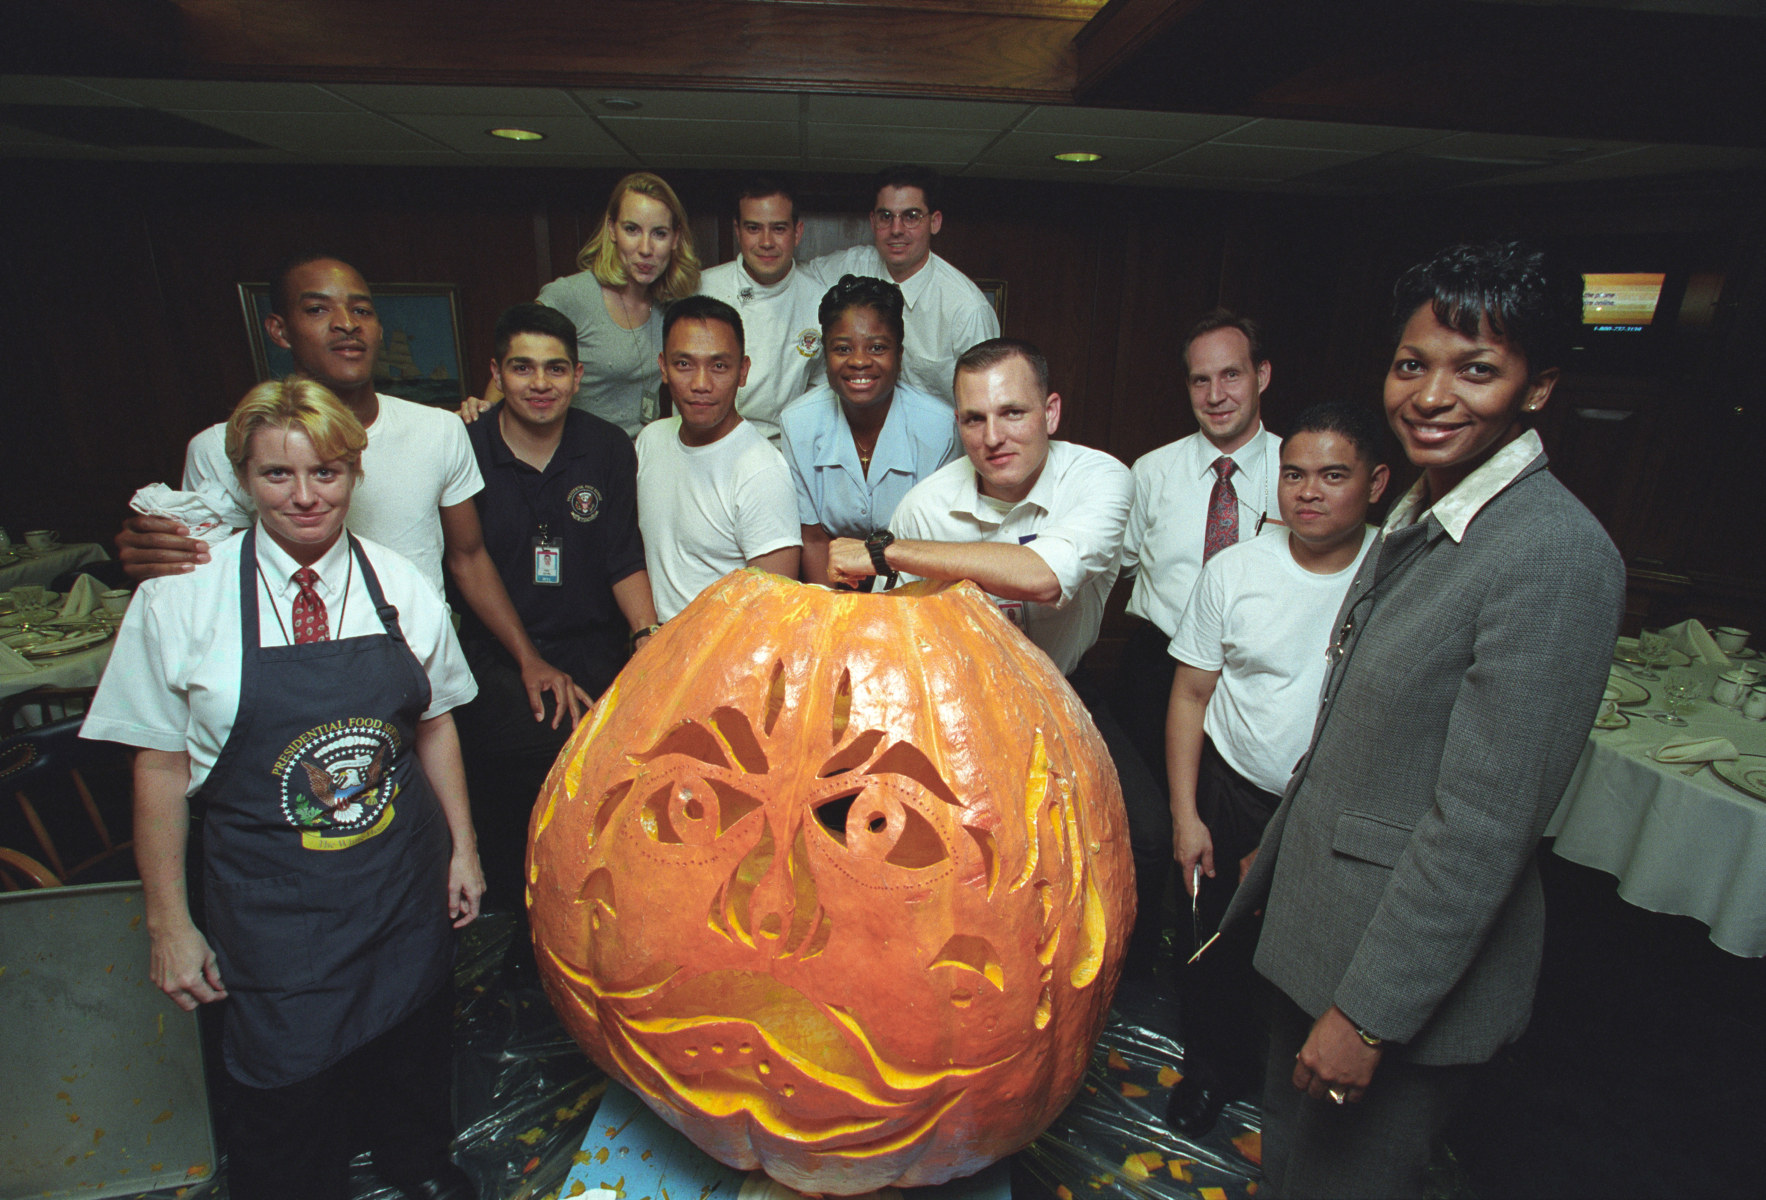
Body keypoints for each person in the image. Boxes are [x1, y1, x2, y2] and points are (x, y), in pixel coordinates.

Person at [1220, 242, 1626, 1198]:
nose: (1432, 396)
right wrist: (1280, 853)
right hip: (1326, 929)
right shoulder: (1423, 508)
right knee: (1292, 1165)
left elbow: (1482, 826)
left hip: (1392, 979)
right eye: (1414, 365)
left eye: (1476, 369)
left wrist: (1366, 1018)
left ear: (1537, 388)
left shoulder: (1553, 556)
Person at [82, 379, 483, 1200]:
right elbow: (158, 764)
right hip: (273, 905)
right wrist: (169, 922)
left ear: (355, 474)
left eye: (327, 474)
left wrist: (465, 852)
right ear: (241, 478)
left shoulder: (402, 585)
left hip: (398, 886)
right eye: (277, 476)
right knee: (287, 1113)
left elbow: (435, 722)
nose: (305, 497)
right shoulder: (180, 599)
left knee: (412, 1065)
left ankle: (421, 1169)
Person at [115, 253, 588, 730]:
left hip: (416, 676)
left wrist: (528, 657)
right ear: (279, 330)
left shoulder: (438, 431)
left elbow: (468, 557)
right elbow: (204, 583)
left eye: (361, 311)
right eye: (318, 310)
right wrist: (157, 556)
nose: (346, 324)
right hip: (288, 685)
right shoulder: (223, 448)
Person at [825, 340, 1166, 958]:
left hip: (1065, 688)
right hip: (958, 705)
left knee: (1142, 836)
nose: (993, 436)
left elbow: (1041, 575)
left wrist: (884, 551)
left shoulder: (1100, 478)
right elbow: (900, 635)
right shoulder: (927, 504)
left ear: (1051, 412)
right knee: (930, 849)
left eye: (1013, 413)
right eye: (973, 419)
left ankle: (1113, 1001)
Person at [1162, 401, 1389, 1138]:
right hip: (1232, 794)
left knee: (1310, 959)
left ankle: (1301, 1099)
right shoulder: (1236, 569)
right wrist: (1186, 814)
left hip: (1335, 811)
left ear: (1376, 482)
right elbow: (1191, 694)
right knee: (1215, 950)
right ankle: (1209, 1073)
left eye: (1333, 475)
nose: (1309, 491)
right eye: (1294, 473)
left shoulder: (1397, 578)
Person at [455, 303, 658, 909]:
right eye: (522, 368)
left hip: (592, 643)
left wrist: (647, 637)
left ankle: (597, 909)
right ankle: (524, 919)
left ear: (578, 376)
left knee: (615, 769)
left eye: (555, 369)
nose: (540, 384)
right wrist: (529, 660)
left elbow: (623, 552)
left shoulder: (607, 447)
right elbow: (466, 560)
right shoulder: (465, 448)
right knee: (527, 758)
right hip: (502, 652)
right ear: (495, 372)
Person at [779, 275, 957, 586]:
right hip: (834, 581)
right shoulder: (798, 423)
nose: (859, 361)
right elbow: (815, 538)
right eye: (843, 348)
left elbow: (938, 544)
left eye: (877, 347)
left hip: (917, 582)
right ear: (826, 354)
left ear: (899, 355)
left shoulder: (940, 427)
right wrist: (832, 615)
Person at [635, 295, 800, 620]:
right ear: (663, 368)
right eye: (684, 364)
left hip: (721, 657)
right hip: (655, 647)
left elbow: (773, 610)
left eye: (719, 366)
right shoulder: (650, 441)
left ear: (743, 372)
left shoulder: (761, 472)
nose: (701, 384)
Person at [512, 172, 702, 438]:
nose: (645, 248)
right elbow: (514, 365)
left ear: (675, 238)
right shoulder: (571, 295)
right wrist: (484, 410)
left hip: (642, 457)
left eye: (659, 233)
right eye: (632, 230)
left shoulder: (671, 305)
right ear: (612, 229)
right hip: (581, 456)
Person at [807, 165, 998, 406]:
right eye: (886, 217)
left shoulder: (967, 309)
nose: (896, 230)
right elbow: (792, 277)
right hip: (860, 433)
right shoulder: (851, 266)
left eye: (911, 216)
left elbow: (987, 402)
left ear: (935, 222)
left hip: (939, 440)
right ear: (873, 221)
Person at [696, 176, 826, 445]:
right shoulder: (702, 289)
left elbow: (820, 391)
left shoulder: (819, 301)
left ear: (797, 232)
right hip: (708, 439)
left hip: (783, 448)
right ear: (737, 231)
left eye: (778, 229)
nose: (766, 242)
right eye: (754, 228)